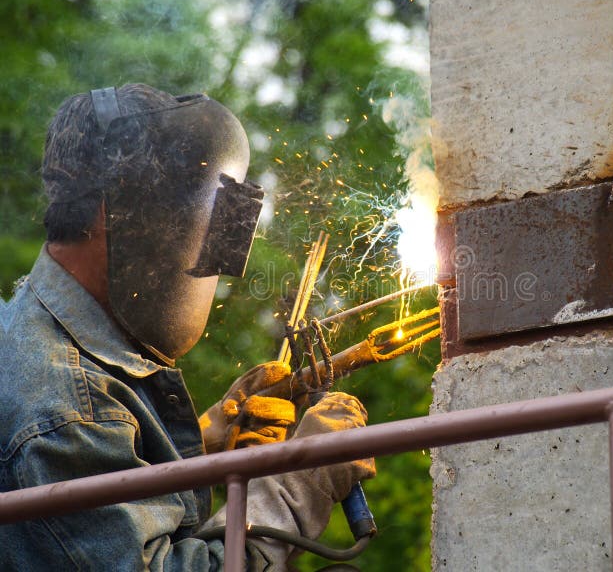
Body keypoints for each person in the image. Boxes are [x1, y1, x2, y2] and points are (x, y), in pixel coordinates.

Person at [0, 84, 375, 570]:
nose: (214, 247)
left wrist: (202, 451)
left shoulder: (31, 326)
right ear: (109, 212)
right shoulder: (67, 410)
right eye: (192, 213)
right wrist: (302, 482)